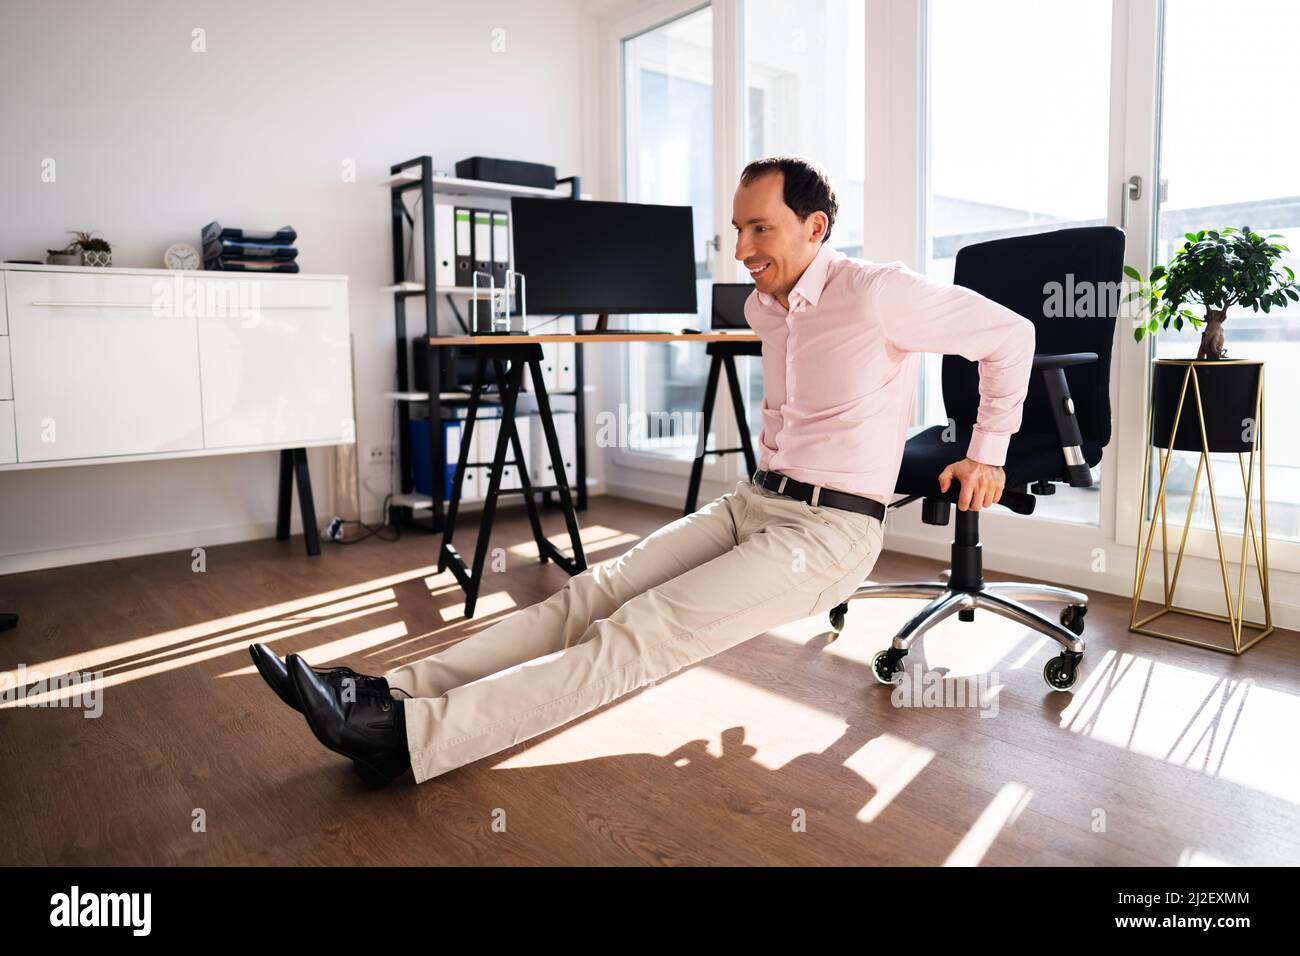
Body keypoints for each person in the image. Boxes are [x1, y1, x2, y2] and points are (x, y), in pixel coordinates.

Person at [250, 154, 1036, 789]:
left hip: (830, 533)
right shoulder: (767, 306)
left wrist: (987, 449)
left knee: (638, 635)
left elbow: (1010, 335)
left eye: (761, 228)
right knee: (587, 596)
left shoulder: (880, 292)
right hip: (755, 502)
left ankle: (406, 741)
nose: (743, 249)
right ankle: (391, 692)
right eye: (737, 230)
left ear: (816, 227)